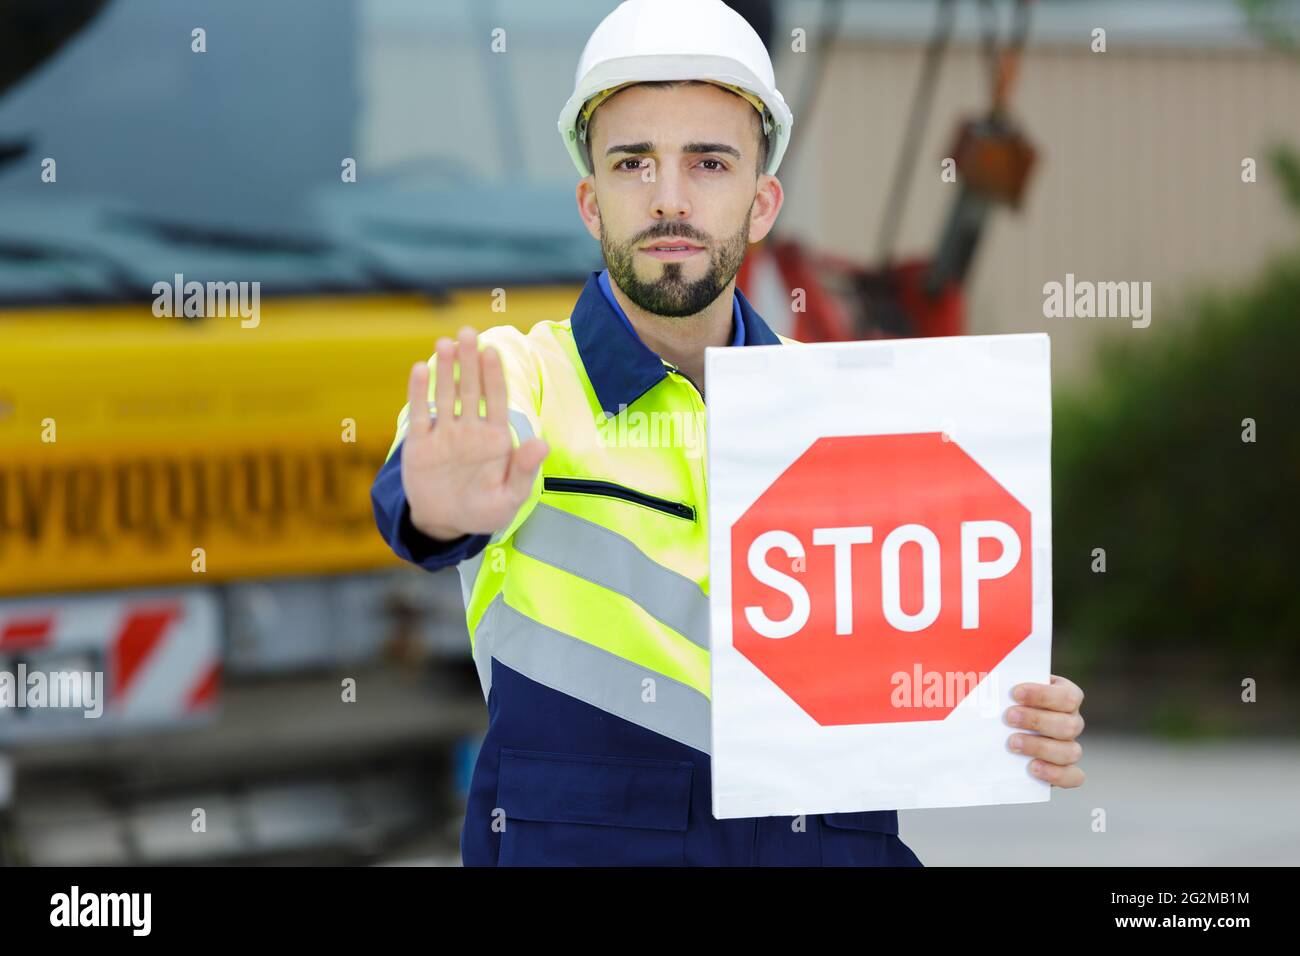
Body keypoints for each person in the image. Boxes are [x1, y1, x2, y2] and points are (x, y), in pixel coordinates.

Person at [370, 0, 1085, 867]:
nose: (669, 199)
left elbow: (911, 661)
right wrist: (435, 506)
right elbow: (431, 476)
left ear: (761, 201)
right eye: (634, 164)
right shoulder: (519, 377)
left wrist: (1008, 711)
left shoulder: (844, 403)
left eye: (709, 163)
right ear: (591, 203)